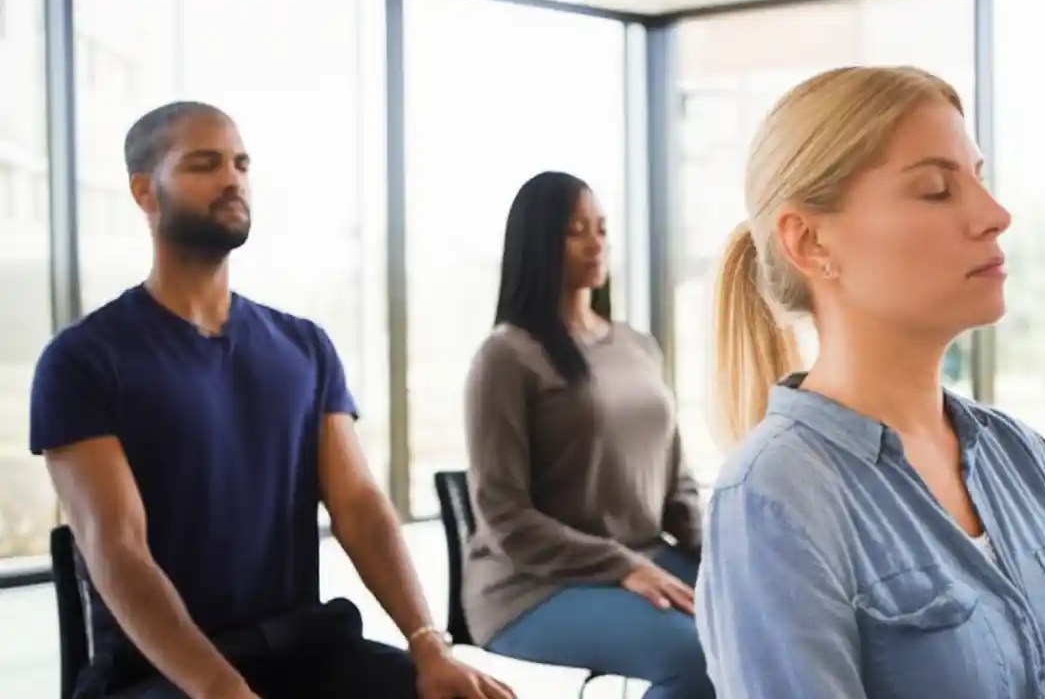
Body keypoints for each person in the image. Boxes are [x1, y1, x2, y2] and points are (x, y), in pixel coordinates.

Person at [29, 101, 514, 699]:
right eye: (204, 164)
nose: (232, 178)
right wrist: (219, 687)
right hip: (164, 676)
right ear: (144, 193)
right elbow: (116, 548)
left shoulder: (304, 347)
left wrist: (429, 645)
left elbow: (359, 507)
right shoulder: (82, 361)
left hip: (303, 648)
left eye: (240, 163)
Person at [694, 66, 1045, 698]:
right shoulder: (775, 497)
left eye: (979, 178)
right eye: (938, 190)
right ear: (809, 242)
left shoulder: (1023, 457)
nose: (995, 215)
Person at [462, 171, 712, 698]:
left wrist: (715, 550)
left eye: (601, 228)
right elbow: (506, 516)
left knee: (768, 619)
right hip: (533, 588)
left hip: (644, 559)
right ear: (539, 242)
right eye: (576, 229)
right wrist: (621, 564)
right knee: (693, 654)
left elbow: (677, 484)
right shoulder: (507, 357)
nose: (595, 242)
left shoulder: (637, 346)